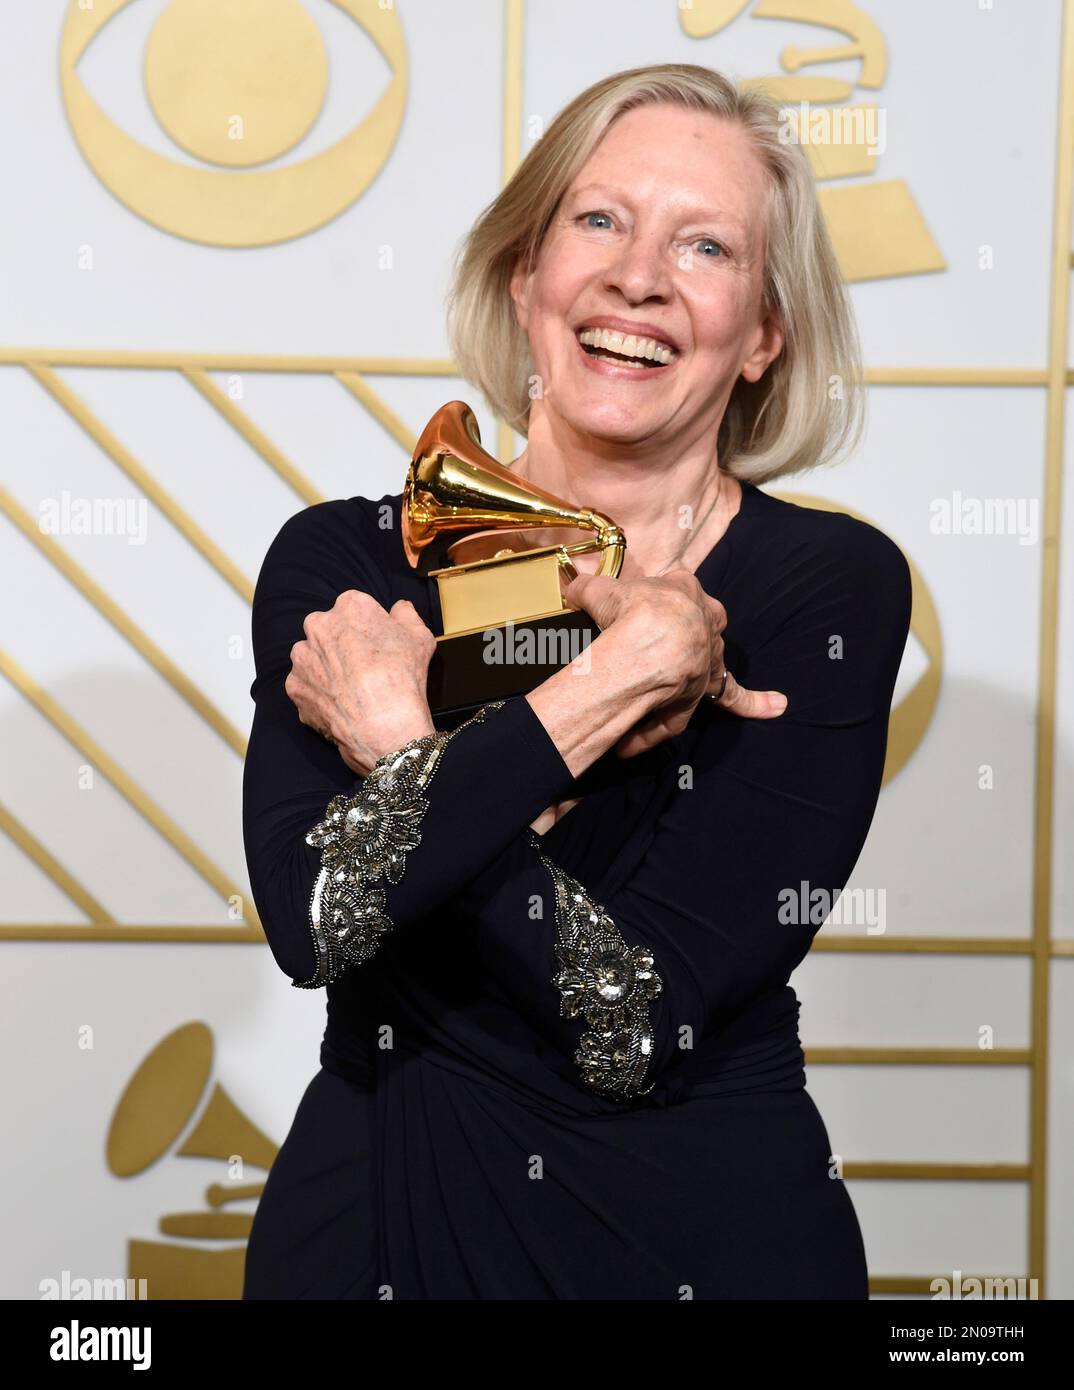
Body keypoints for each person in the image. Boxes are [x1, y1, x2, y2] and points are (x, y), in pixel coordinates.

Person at [241, 63, 911, 1300]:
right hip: (379, 1222)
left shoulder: (826, 589)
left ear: (765, 332)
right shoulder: (342, 559)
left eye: (704, 244)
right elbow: (320, 911)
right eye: (599, 220)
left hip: (700, 1244)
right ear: (523, 272)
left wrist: (404, 747)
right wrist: (619, 681)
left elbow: (630, 1020)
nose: (638, 276)